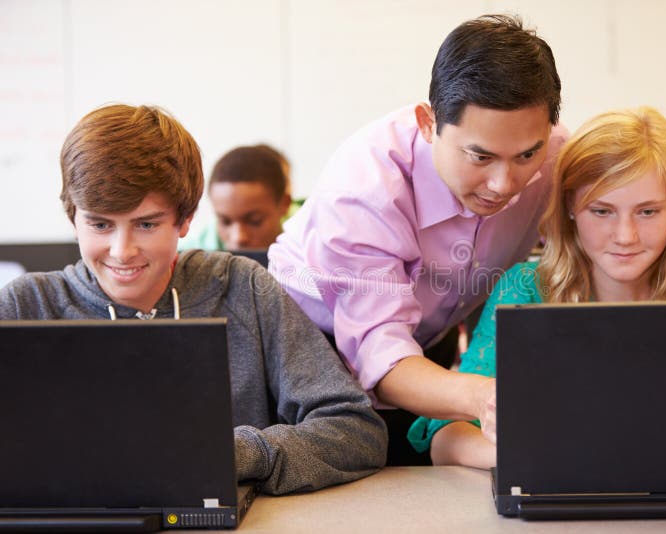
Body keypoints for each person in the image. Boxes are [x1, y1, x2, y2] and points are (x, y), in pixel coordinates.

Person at [0, 104, 387, 494]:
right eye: (99, 224)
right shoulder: (24, 307)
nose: (122, 251)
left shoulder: (244, 289)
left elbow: (355, 431)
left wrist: (234, 453)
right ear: (73, 217)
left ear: (185, 219)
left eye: (146, 224)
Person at [407, 106, 666, 469]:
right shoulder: (527, 291)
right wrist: (542, 460)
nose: (625, 236)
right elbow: (445, 437)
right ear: (571, 209)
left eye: (648, 211)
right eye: (602, 211)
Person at [267, 14, 569, 464]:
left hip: (431, 333)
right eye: (479, 156)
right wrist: (485, 396)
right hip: (314, 344)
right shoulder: (364, 188)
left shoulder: (557, 154)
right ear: (428, 123)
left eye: (527, 154)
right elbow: (381, 353)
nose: (504, 184)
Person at [181, 144, 295, 251]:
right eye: (225, 222)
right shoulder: (182, 261)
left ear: (285, 204)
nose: (238, 238)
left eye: (254, 221)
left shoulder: (304, 256)